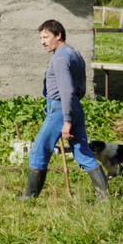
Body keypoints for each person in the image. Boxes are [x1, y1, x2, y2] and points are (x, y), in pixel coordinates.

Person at [21, 19, 110, 201]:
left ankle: (29, 197)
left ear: (58, 35)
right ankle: (104, 198)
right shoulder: (74, 53)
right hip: (74, 105)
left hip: (61, 109)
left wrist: (67, 120)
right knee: (82, 152)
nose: (42, 41)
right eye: (41, 38)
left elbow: (67, 90)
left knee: (39, 151)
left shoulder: (60, 58)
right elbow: (79, 89)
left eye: (46, 37)